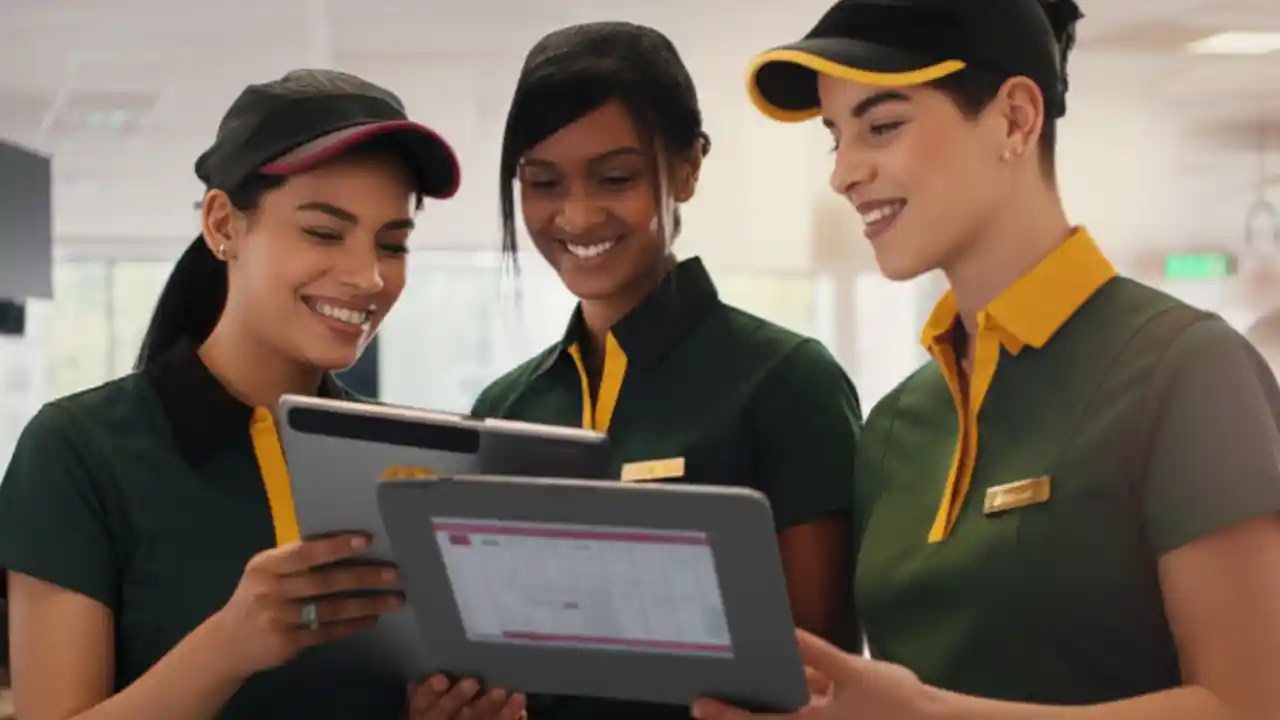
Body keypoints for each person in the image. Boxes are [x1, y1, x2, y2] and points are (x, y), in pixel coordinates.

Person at [691, 0, 1280, 718]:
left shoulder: (1186, 370)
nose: (843, 173)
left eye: (882, 126)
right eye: (834, 138)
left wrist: (930, 716)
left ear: (1015, 120)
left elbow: (1249, 705)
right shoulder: (895, 426)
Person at [0, 68, 521, 720]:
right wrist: (228, 646)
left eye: (392, 244)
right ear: (224, 224)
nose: (367, 277)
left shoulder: (414, 459)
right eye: (324, 232)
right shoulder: (79, 450)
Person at [458, 20, 862, 720]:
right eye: (543, 182)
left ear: (688, 168)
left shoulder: (787, 381)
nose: (576, 215)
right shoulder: (505, 408)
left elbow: (825, 680)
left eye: (615, 178)